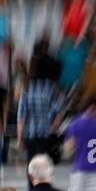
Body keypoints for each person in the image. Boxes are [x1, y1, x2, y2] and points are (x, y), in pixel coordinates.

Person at [17, 42, 63, 174]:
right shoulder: (51, 87)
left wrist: (20, 138)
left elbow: (22, 115)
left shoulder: (26, 88)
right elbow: (59, 112)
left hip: (29, 135)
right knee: (44, 166)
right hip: (45, 134)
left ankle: (32, 190)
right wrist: (53, 127)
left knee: (31, 166)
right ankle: (43, 188)